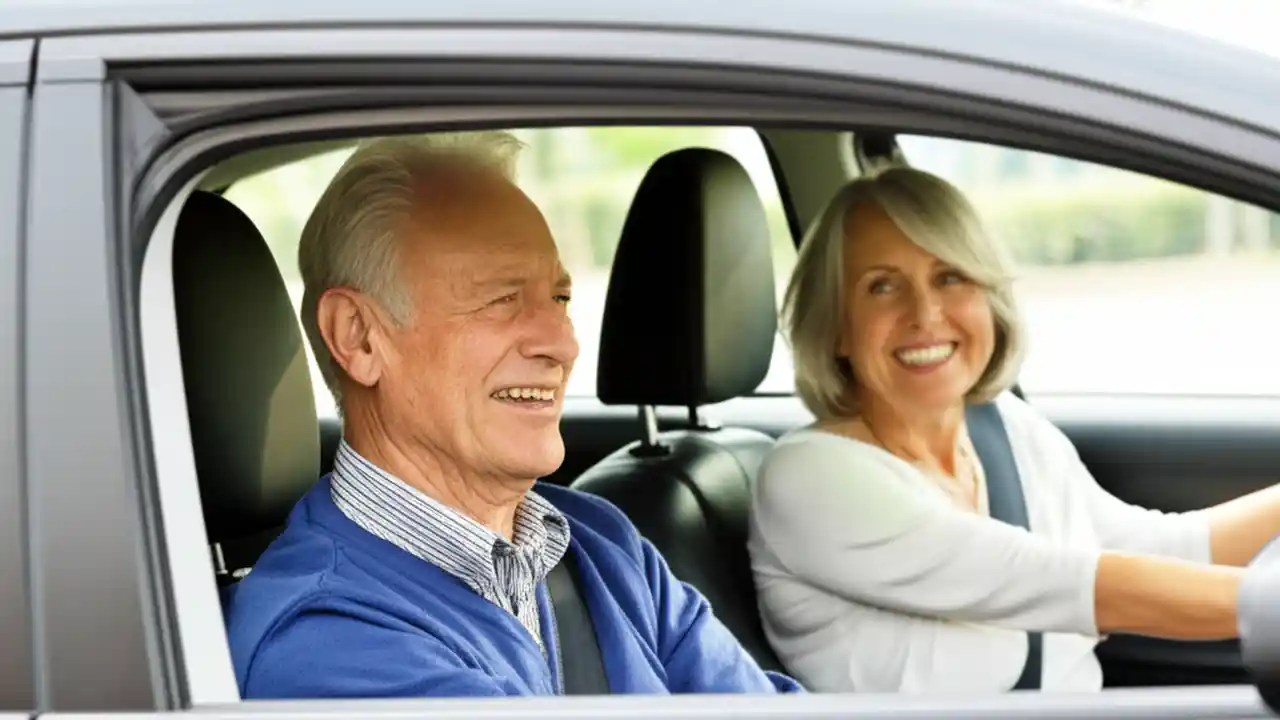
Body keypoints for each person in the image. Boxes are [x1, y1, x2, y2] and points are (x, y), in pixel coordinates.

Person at [223, 131, 801, 698]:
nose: (565, 343)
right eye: (501, 299)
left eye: (560, 299)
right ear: (361, 338)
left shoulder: (602, 545)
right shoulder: (325, 643)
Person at [747, 166, 1280, 694]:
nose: (925, 313)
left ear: (987, 296)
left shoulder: (1005, 427)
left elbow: (1168, 548)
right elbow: (1087, 586)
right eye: (882, 287)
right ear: (837, 326)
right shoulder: (812, 478)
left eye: (949, 276)